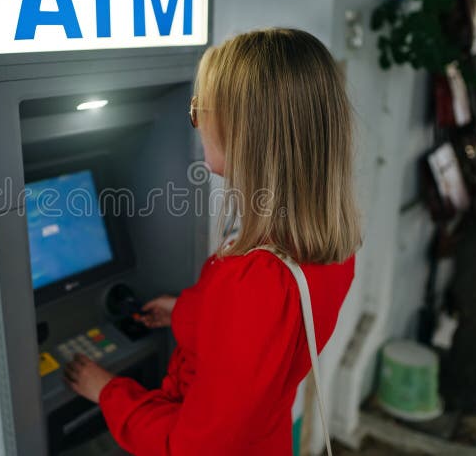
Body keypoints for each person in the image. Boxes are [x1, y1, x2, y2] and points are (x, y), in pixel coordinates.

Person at [64, 28, 362, 455]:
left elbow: (193, 446)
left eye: (201, 107)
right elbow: (260, 350)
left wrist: (108, 390)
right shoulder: (328, 245)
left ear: (247, 130)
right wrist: (186, 313)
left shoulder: (253, 281)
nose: (198, 121)